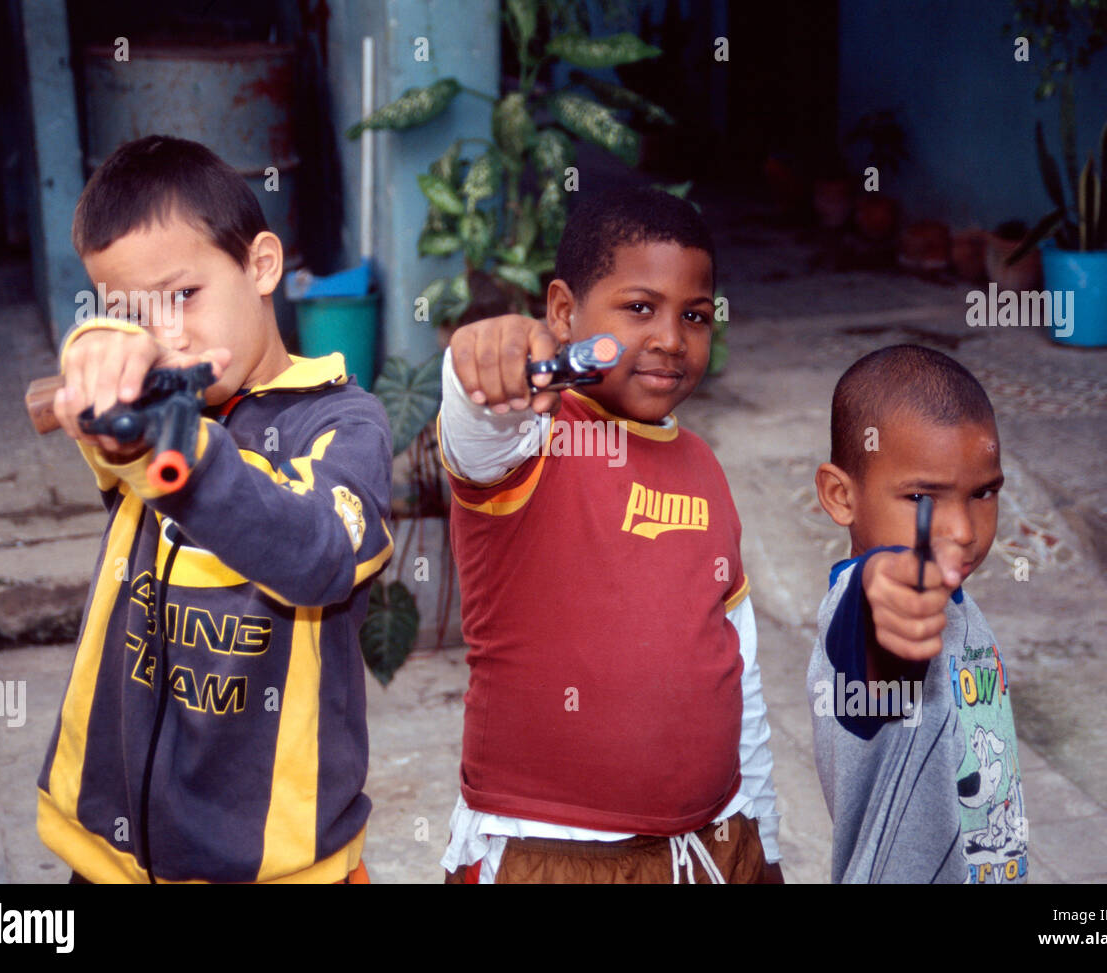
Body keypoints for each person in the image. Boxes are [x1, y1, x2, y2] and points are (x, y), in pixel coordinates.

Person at [37, 135, 394, 883]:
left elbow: (320, 554)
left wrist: (188, 454)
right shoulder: (140, 417)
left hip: (279, 867)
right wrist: (98, 354)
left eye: (182, 295)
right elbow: (101, 385)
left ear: (261, 265)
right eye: (131, 313)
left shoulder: (345, 424)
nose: (165, 335)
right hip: (110, 859)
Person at [436, 187, 782, 883]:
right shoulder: (531, 440)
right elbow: (478, 426)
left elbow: (738, 672)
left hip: (709, 847)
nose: (671, 339)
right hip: (547, 854)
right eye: (640, 308)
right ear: (565, 313)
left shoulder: (705, 468)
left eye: (694, 315)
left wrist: (763, 842)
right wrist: (484, 360)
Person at [807, 344, 1028, 884]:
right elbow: (874, 635)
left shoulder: (958, 604)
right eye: (924, 499)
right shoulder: (861, 608)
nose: (963, 531)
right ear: (840, 496)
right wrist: (878, 586)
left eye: (983, 492)